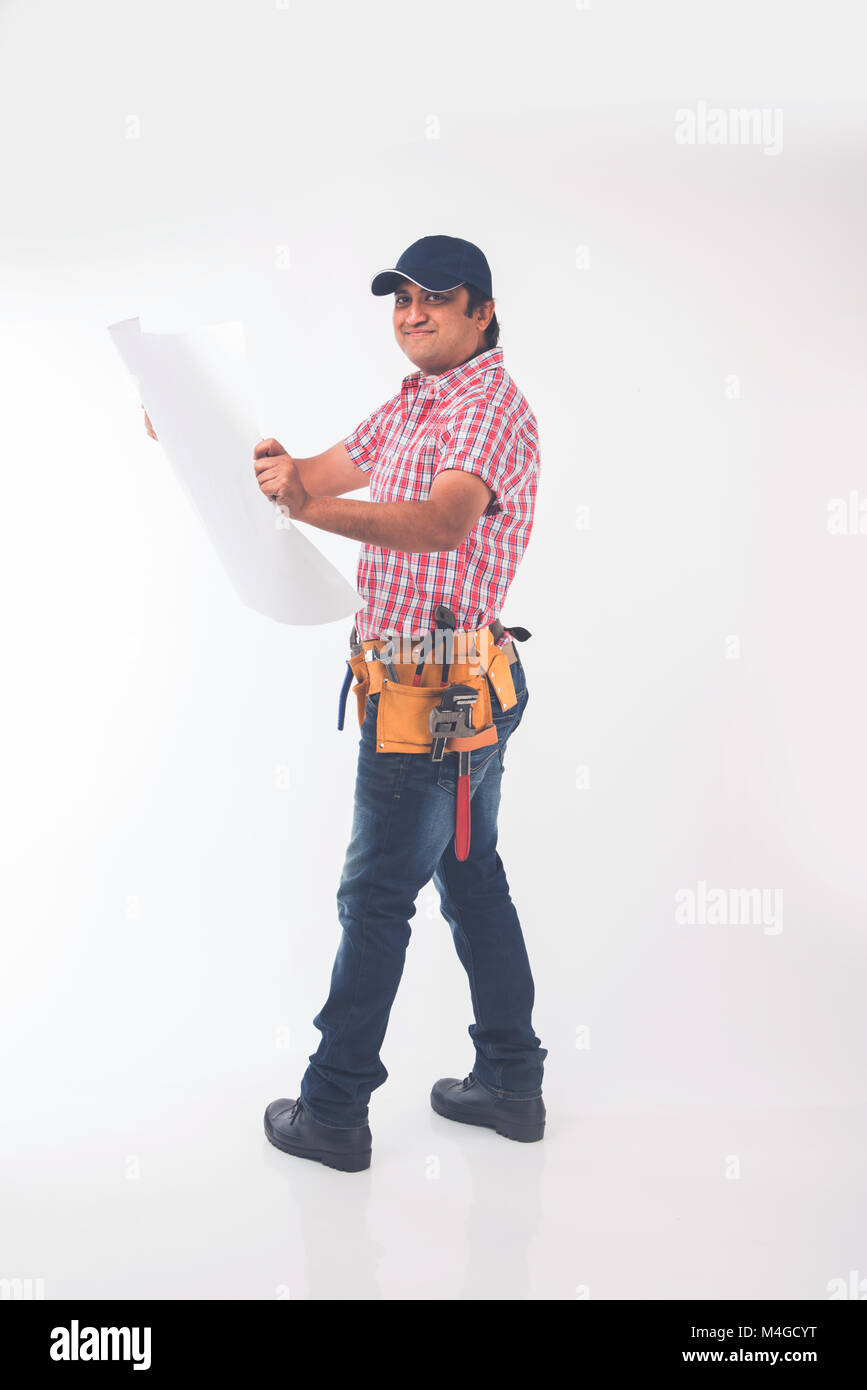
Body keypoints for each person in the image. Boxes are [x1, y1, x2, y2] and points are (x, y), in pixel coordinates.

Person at [144, 235, 547, 1173]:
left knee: (374, 899)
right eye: (399, 298)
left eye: (435, 298)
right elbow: (309, 471)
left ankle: (332, 1110)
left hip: (433, 696)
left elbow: (443, 521)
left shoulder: (484, 408)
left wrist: (303, 510)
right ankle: (512, 1083)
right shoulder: (418, 402)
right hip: (450, 689)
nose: (412, 313)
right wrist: (195, 431)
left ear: (481, 310)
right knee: (469, 876)